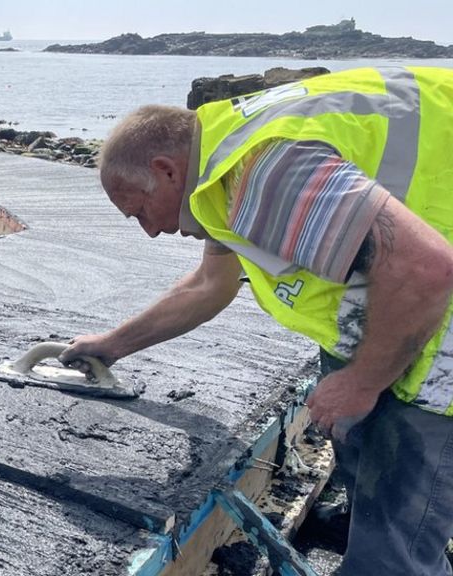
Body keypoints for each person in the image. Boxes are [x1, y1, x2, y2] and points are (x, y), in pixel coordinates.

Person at [61, 67, 453, 575]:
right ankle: (364, 524)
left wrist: (362, 380)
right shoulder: (226, 161)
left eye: (141, 211)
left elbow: (425, 269)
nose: (152, 231)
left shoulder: (263, 173)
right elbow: (210, 285)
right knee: (361, 433)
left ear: (166, 170)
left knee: (396, 545)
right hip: (399, 297)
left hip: (436, 327)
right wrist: (110, 345)